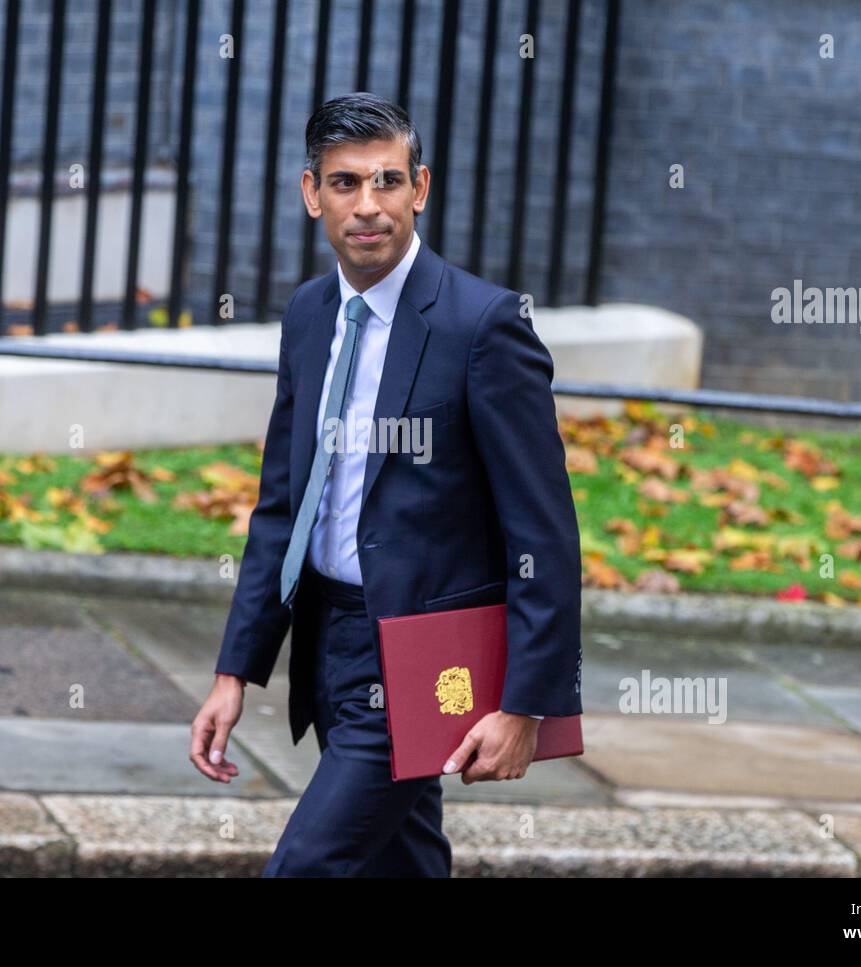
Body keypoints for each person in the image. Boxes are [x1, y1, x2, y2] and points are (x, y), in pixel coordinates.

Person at [189, 91, 582, 877]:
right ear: (312, 194)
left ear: (420, 188)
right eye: (344, 184)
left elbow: (545, 533)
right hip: (328, 640)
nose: (368, 206)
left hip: (423, 655)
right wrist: (236, 669)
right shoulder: (308, 315)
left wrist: (525, 703)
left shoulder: (483, 326)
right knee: (401, 862)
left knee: (306, 865)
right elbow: (282, 510)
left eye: (388, 181)